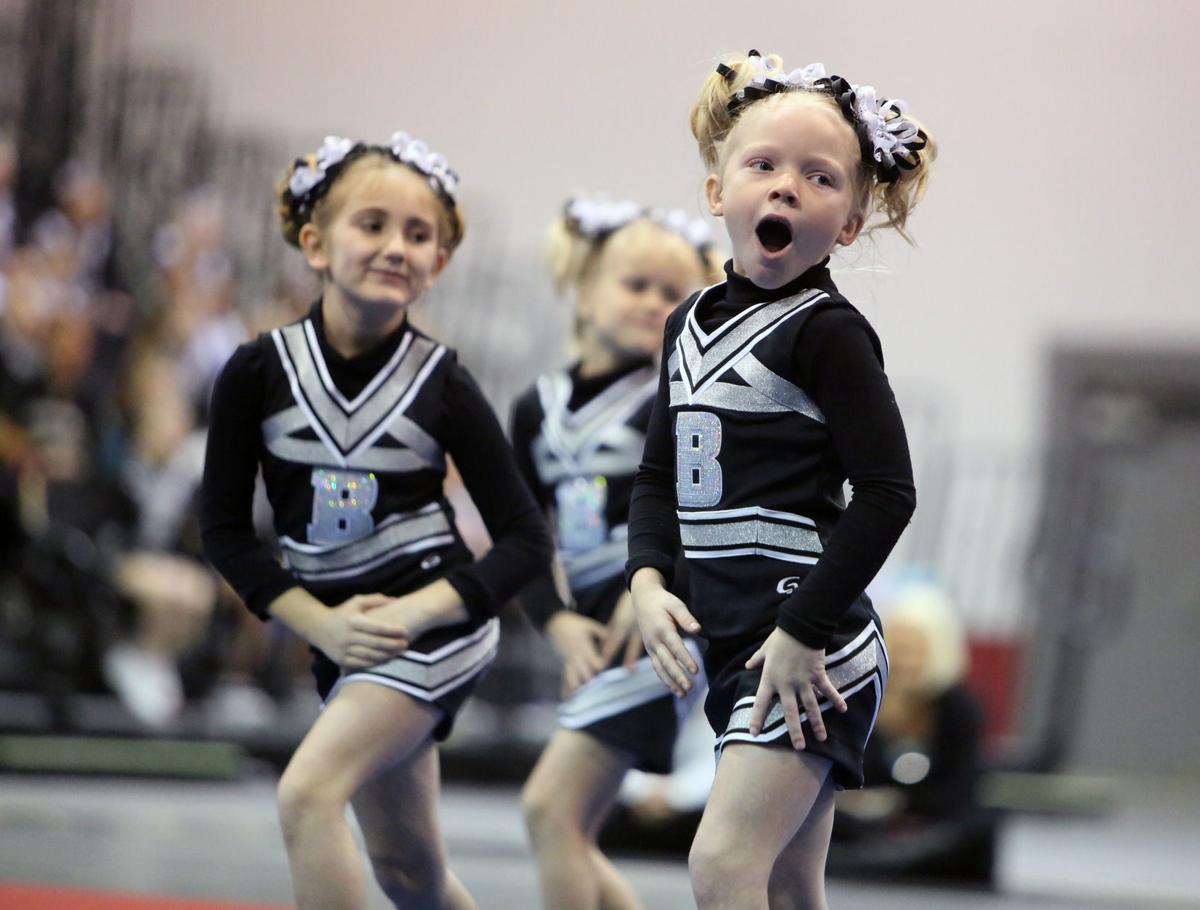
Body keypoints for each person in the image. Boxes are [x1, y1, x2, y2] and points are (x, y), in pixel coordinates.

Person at [200, 132, 551, 910]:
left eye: (418, 235)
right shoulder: (256, 371)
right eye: (373, 225)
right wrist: (319, 626)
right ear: (315, 244)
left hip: (431, 630)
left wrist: (413, 614)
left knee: (307, 795)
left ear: (439, 263)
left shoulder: (443, 382)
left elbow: (526, 540)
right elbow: (222, 531)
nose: (396, 246)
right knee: (407, 873)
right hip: (342, 638)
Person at [625, 51, 936, 909]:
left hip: (811, 648)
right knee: (791, 887)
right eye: (763, 165)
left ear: (850, 221)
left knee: (723, 865)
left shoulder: (828, 332)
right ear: (717, 191)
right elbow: (658, 475)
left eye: (819, 176)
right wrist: (647, 581)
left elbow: (888, 492)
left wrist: (804, 627)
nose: (786, 187)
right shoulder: (686, 323)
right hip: (738, 644)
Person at [511, 195, 722, 910]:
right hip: (592, 632)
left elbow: (705, 514)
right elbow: (521, 535)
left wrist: (659, 590)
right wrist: (555, 621)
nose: (654, 303)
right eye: (636, 285)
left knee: (550, 812)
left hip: (654, 634)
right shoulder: (536, 407)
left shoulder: (679, 400)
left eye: (672, 293)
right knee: (571, 829)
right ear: (584, 288)